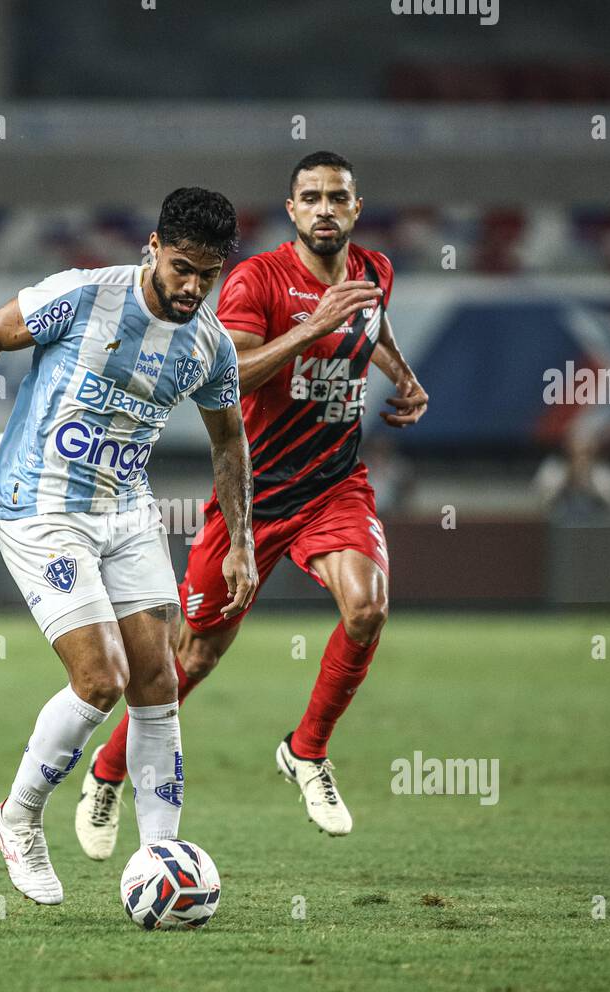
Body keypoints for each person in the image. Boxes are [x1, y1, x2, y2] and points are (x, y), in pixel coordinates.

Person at [76, 152, 429, 856]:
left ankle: (307, 750)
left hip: (333, 483)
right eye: (311, 197)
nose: (325, 207)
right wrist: (309, 326)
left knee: (367, 606)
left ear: (356, 210)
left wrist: (404, 377)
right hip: (253, 495)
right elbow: (226, 373)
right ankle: (108, 773)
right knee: (196, 657)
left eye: (338, 197)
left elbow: (374, 324)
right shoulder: (256, 280)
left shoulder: (374, 271)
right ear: (292, 210)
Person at [0, 187, 258, 905]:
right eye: (181, 267)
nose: (192, 287)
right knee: (101, 678)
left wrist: (241, 542)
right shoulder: (84, 297)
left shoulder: (207, 344)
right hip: (40, 506)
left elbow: (230, 442)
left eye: (208, 274)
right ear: (153, 246)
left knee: (158, 682)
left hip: (126, 512)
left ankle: (159, 859)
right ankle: (16, 816)